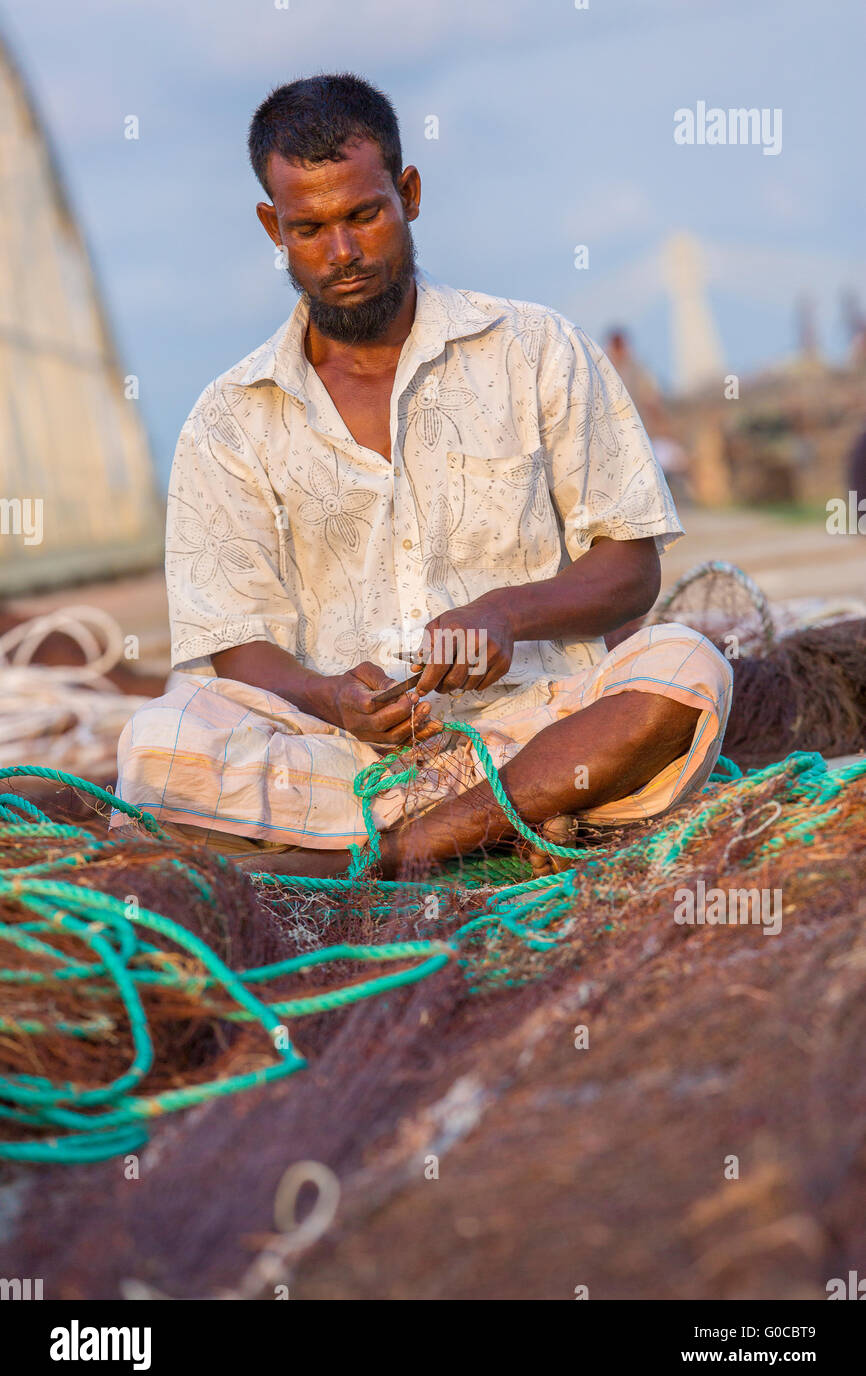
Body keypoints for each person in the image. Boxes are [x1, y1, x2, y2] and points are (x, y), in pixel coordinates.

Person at [111, 73, 732, 879]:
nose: (342, 253)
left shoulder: (537, 348)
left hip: (538, 730)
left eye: (364, 215)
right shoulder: (229, 415)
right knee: (157, 747)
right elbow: (232, 642)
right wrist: (333, 697)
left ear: (407, 193)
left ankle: (395, 854)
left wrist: (507, 613)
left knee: (686, 668)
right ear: (273, 226)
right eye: (310, 228)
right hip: (336, 761)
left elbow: (631, 569)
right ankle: (496, 825)